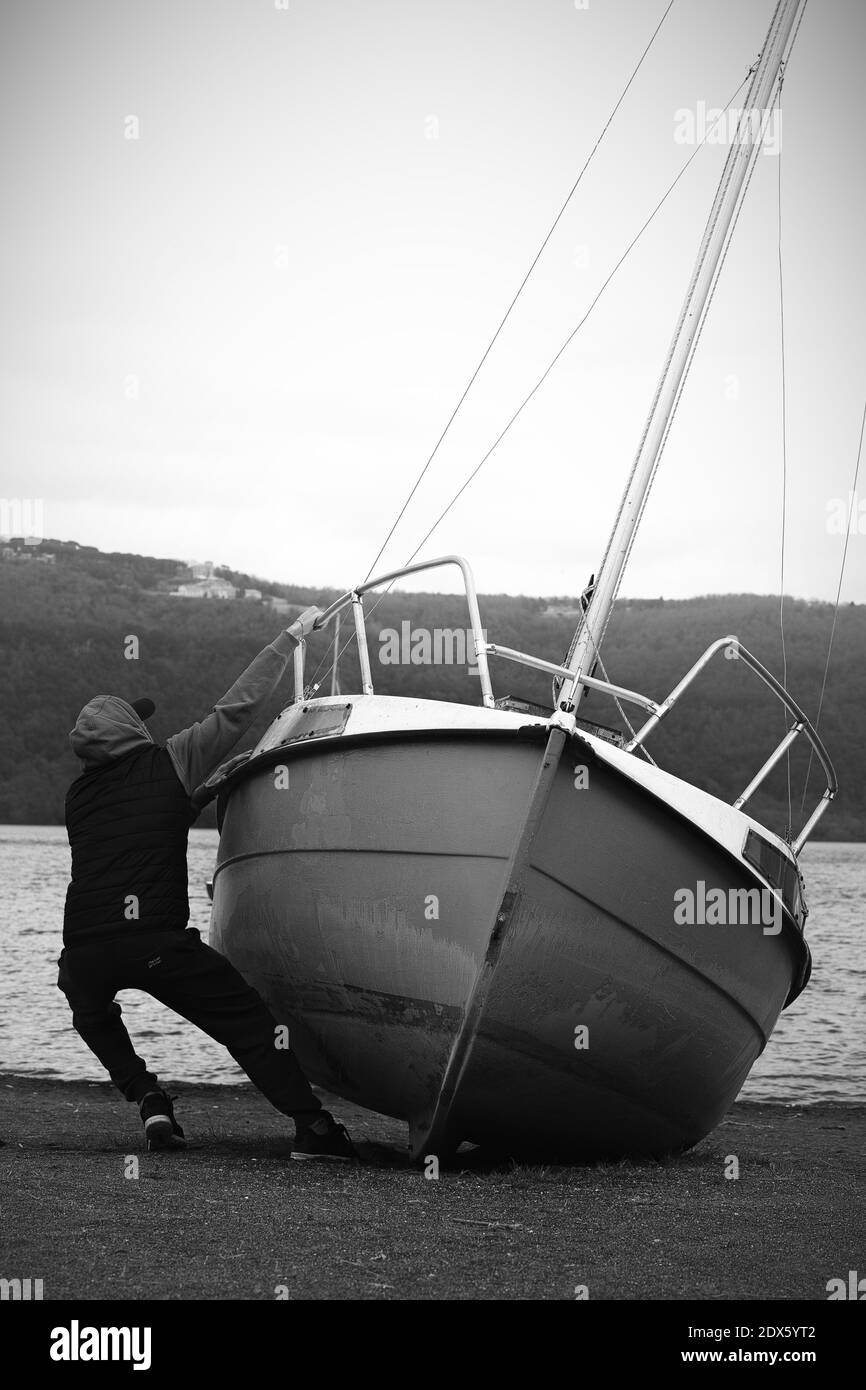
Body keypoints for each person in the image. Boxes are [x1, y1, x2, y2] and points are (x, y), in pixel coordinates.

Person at [58, 606, 358, 1162]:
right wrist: (290, 636)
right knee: (245, 1023)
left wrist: (194, 798)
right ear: (132, 730)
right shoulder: (171, 758)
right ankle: (313, 1129)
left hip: (84, 951)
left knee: (91, 1012)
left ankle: (147, 1097)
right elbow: (237, 708)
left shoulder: (78, 798)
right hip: (154, 943)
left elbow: (131, 835)